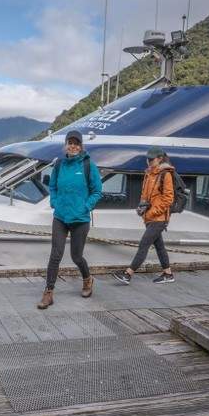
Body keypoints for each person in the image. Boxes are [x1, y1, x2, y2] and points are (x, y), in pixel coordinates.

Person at [37, 130, 103, 309]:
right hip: (60, 216)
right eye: (70, 142)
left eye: (76, 143)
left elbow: (97, 191)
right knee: (55, 255)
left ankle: (87, 279)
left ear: (81, 146)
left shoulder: (88, 164)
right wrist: (54, 201)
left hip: (80, 219)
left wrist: (86, 206)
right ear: (65, 145)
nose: (73, 146)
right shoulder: (59, 164)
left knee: (76, 256)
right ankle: (48, 293)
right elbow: (53, 186)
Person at [113, 147, 176, 285]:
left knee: (144, 245)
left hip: (158, 218)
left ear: (159, 159)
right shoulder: (149, 174)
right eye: (147, 159)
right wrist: (141, 208)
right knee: (159, 246)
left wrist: (152, 212)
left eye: (151, 159)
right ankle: (168, 273)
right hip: (149, 217)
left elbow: (168, 199)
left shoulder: (166, 175)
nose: (148, 161)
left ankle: (128, 274)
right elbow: (145, 196)